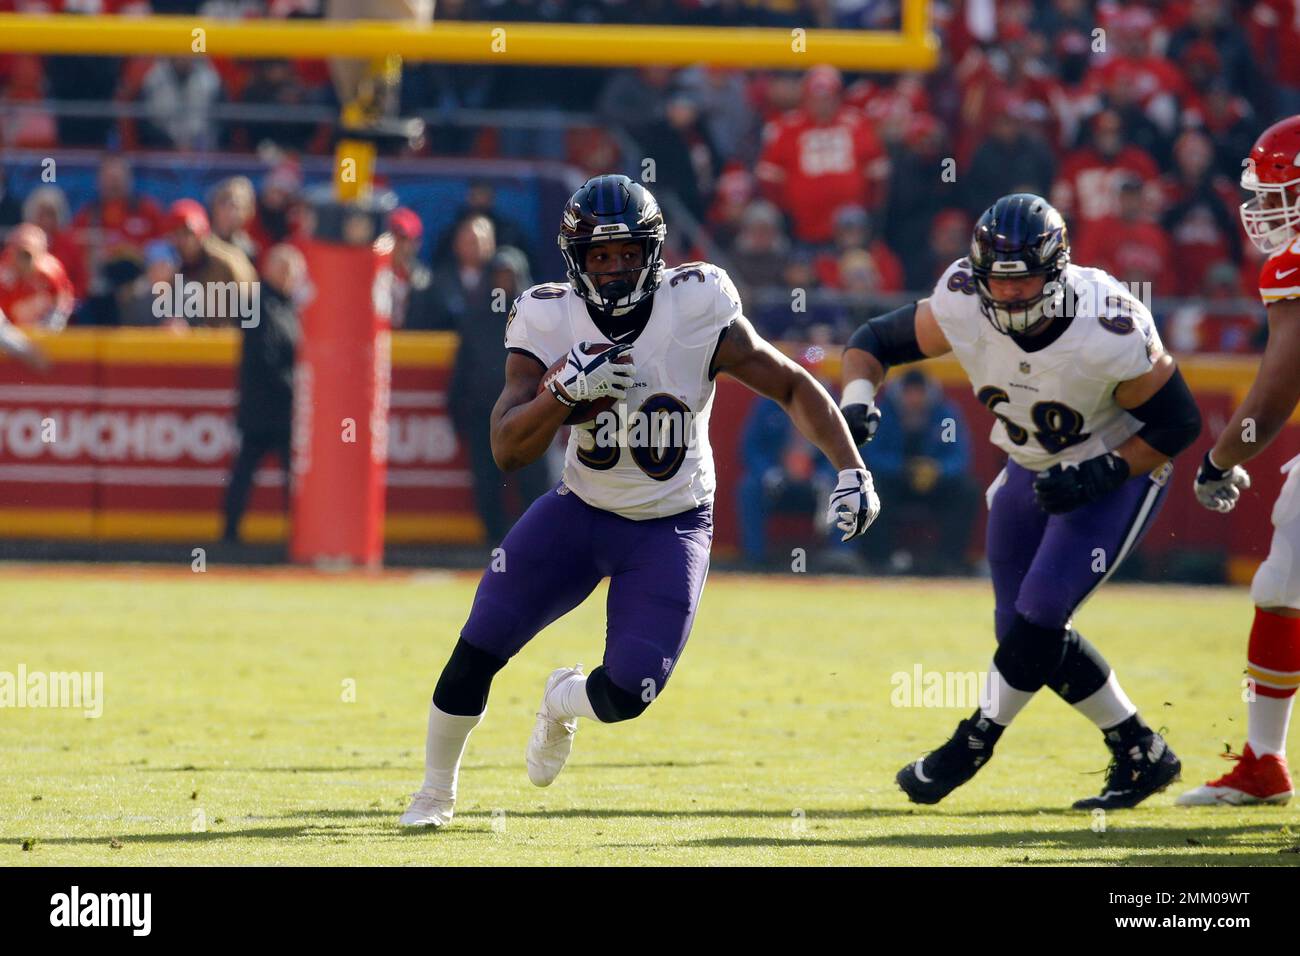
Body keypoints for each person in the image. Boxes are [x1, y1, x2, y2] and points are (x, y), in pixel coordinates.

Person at [399, 174, 880, 828]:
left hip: (671, 525)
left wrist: (852, 468)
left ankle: (562, 700)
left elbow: (791, 384)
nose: (618, 269)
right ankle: (434, 794)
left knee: (631, 692)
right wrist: (561, 393)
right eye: (602, 256)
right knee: (477, 647)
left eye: (630, 253)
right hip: (580, 511)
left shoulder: (696, 305)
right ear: (576, 259)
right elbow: (506, 449)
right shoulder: (547, 314)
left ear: (655, 253)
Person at [841, 193, 1202, 810]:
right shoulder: (961, 299)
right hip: (1028, 465)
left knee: (1038, 614)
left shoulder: (1109, 325)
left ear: (1058, 271)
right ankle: (1141, 748)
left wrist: (1103, 471)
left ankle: (972, 744)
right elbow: (873, 340)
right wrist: (856, 400)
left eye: (1025, 279)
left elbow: (1177, 424)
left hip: (1115, 471)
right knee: (1020, 631)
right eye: (996, 282)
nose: (1007, 296)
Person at [1178, 116, 1300, 807]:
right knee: (1282, 580)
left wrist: (1219, 461)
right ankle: (1264, 763)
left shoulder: (1294, 264)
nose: (1264, 210)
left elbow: (1275, 392)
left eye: (1282, 192)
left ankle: (1263, 763)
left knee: (1283, 581)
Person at [222, 244, 304, 543]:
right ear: (269, 269)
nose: (289, 276)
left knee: (290, 478)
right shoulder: (258, 303)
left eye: (293, 272)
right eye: (284, 269)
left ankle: (298, 535)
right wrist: (298, 390)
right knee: (246, 472)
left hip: (279, 409)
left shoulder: (287, 305)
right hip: (264, 407)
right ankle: (230, 537)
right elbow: (266, 357)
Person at [862, 368, 978, 575]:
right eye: (909, 393)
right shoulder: (883, 413)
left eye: (919, 392)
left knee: (967, 490)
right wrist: (904, 469)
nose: (914, 399)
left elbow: (959, 456)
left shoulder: (945, 415)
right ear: (900, 394)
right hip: (894, 483)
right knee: (869, 489)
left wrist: (937, 470)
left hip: (935, 483)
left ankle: (947, 561)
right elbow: (871, 455)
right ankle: (880, 560)